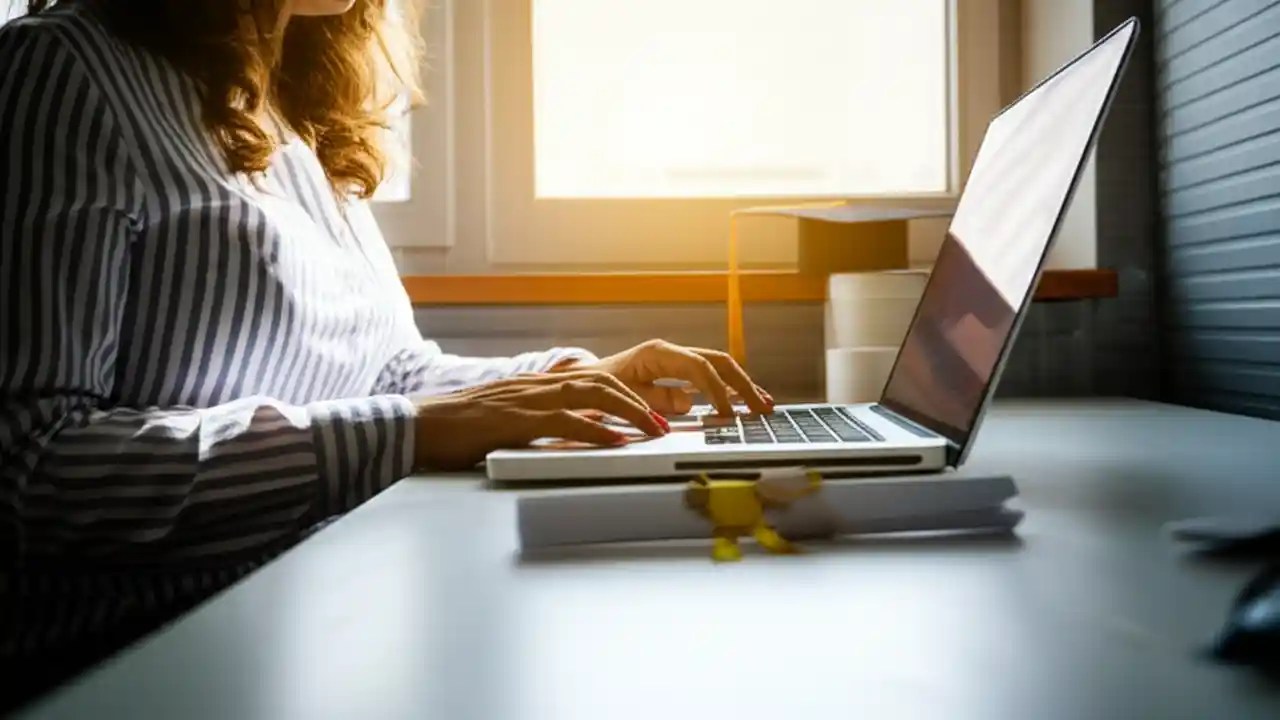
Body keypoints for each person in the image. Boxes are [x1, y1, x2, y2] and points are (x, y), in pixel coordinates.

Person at [0, 0, 773, 705]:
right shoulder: (62, 73)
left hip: (307, 630)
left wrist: (571, 378)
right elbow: (32, 471)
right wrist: (403, 431)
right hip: (135, 671)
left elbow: (392, 374)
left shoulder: (290, 108)